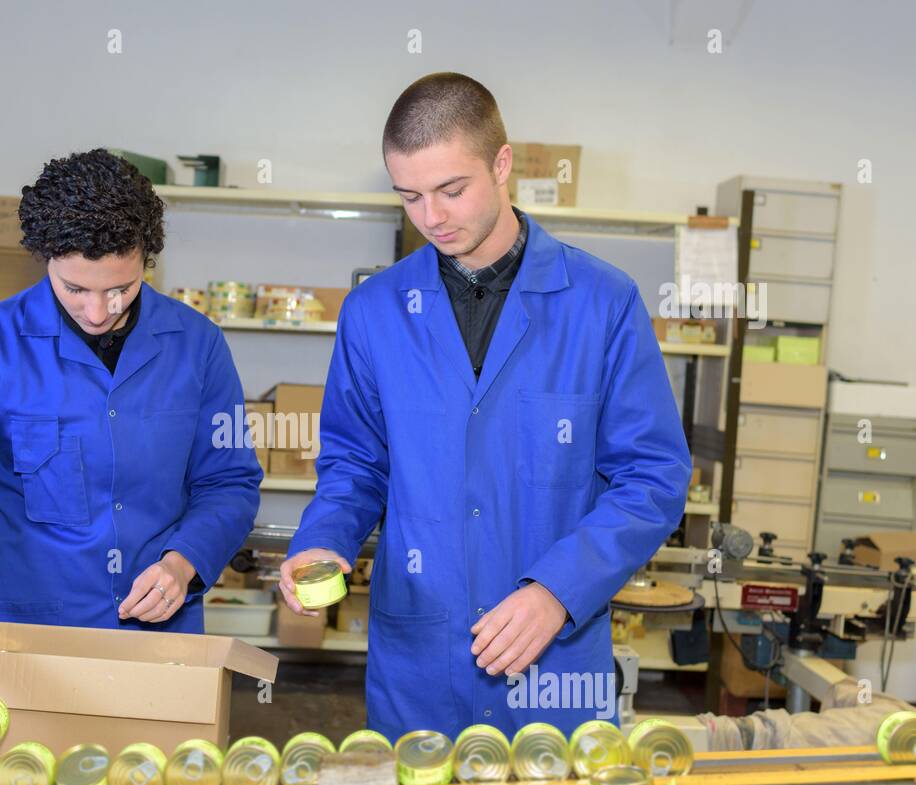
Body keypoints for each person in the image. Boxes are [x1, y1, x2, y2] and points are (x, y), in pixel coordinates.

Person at [279, 73, 690, 740]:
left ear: (502, 165)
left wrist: (557, 590)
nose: (432, 217)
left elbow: (653, 478)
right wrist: (321, 542)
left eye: (451, 189)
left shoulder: (602, 304)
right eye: (409, 195)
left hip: (553, 660)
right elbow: (355, 464)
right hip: (419, 660)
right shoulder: (375, 312)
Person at [0, 149, 262, 722]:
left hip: (160, 640)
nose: (98, 311)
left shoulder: (197, 346)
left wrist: (184, 562)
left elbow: (230, 483)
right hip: (30, 639)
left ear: (147, 260)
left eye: (120, 288)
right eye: (76, 289)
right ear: (45, 259)